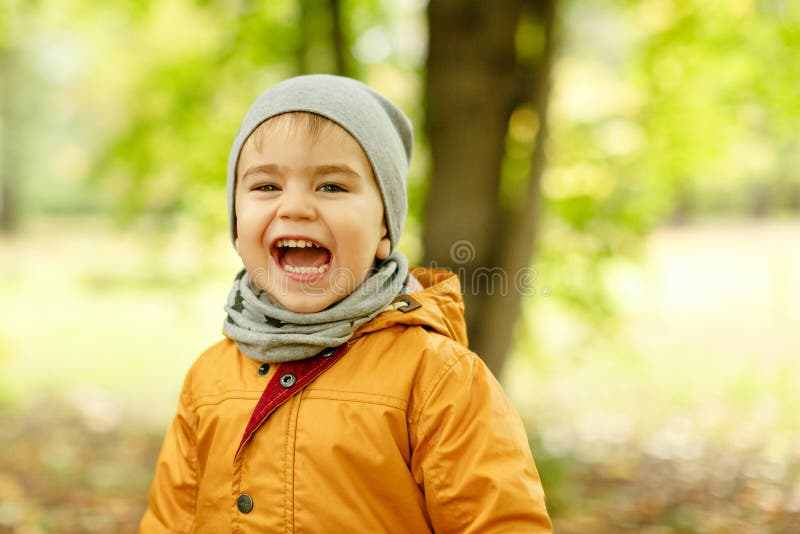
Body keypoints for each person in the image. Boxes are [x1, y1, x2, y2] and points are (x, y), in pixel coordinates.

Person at [140, 74, 552, 533]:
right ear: (236, 223)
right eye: (266, 186)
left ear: (384, 229)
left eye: (332, 187)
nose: (295, 207)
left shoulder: (437, 379)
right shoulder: (208, 380)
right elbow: (169, 522)